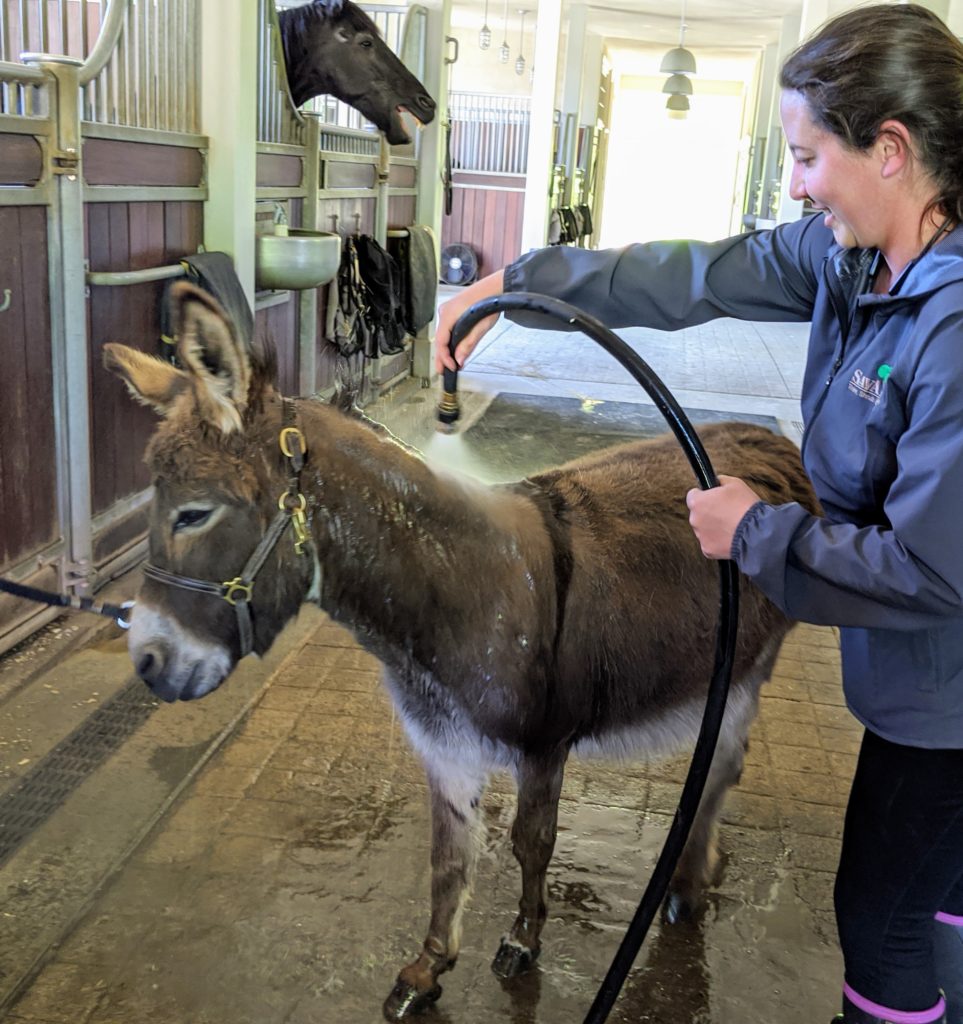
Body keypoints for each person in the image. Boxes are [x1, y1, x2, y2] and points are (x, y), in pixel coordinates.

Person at [433, 5, 963, 1023]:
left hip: (950, 698)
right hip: (924, 682)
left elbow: (936, 571)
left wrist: (753, 533)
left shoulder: (952, 323)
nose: (798, 184)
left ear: (889, 150)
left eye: (809, 156)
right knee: (941, 897)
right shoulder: (852, 262)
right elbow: (692, 275)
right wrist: (520, 284)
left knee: (884, 917)